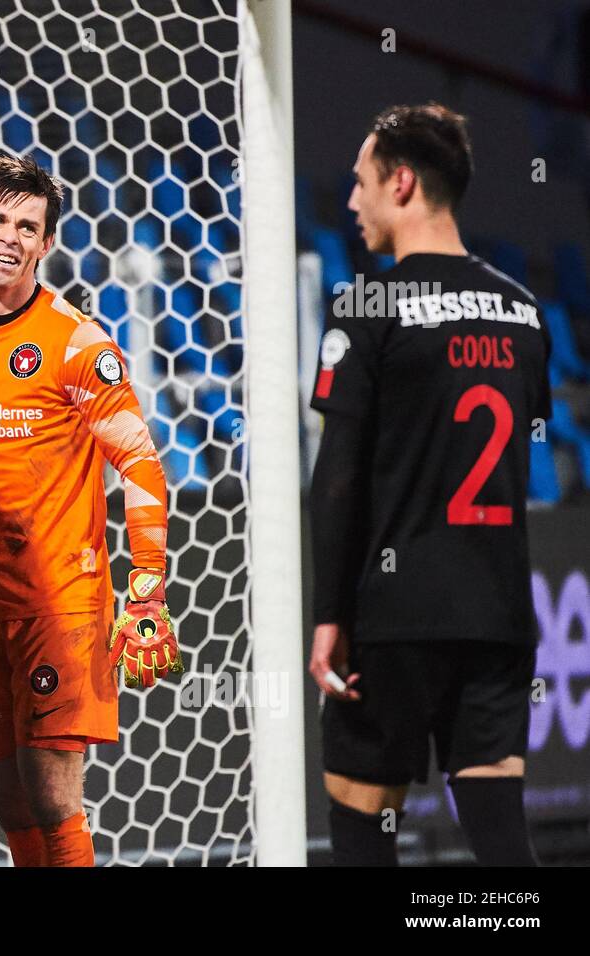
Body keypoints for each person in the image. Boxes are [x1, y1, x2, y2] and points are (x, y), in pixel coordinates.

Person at [308, 103, 551, 866]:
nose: (351, 201)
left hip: (394, 617)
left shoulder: (369, 303)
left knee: (364, 834)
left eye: (361, 182)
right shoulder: (522, 308)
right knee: (502, 845)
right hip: (498, 612)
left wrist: (329, 614)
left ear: (402, 182)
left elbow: (338, 478)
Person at [0, 153, 180, 867]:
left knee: (52, 797)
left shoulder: (78, 341)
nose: (9, 236)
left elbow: (141, 462)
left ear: (46, 244)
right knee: (8, 801)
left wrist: (148, 583)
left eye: (27, 226)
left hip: (60, 604)